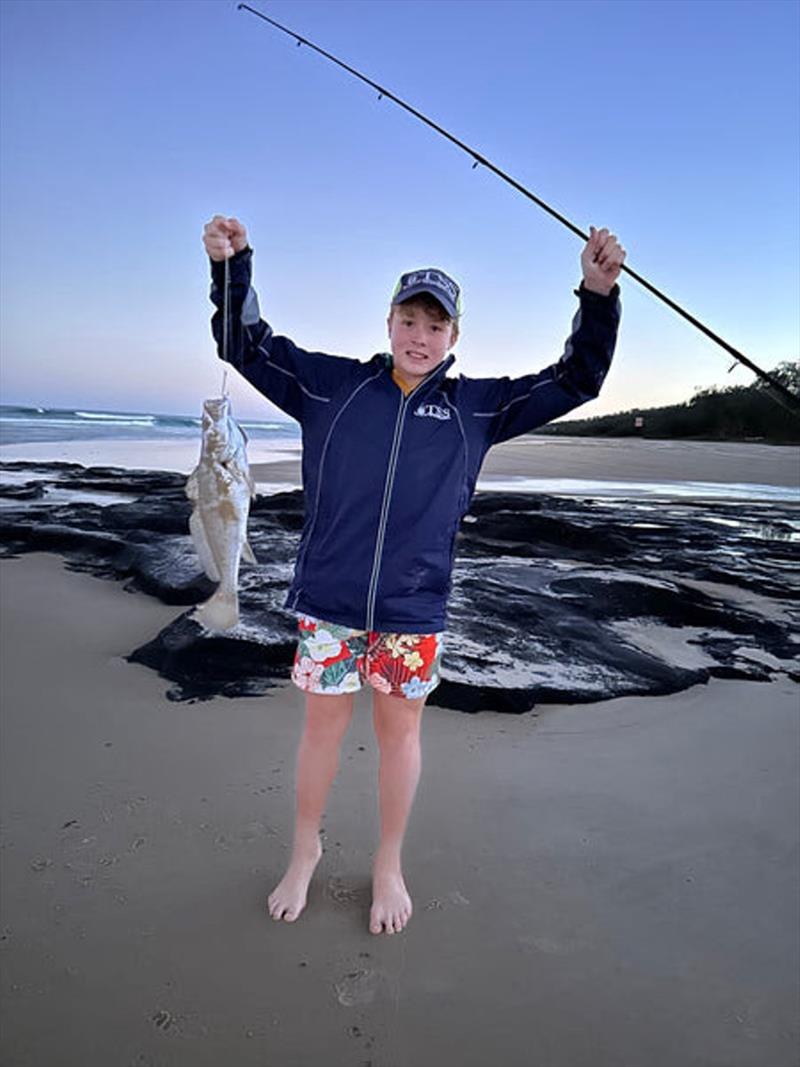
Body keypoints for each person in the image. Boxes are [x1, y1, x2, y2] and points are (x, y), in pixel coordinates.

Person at [202, 215, 625, 935]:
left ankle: (389, 862)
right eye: (409, 320)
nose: (419, 336)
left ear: (454, 336)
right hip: (329, 602)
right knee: (321, 733)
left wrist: (597, 293)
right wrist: (231, 265)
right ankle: (304, 851)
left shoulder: (477, 407)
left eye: (435, 325)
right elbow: (246, 345)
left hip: (412, 609)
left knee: (400, 737)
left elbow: (576, 379)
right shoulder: (331, 387)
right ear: (389, 322)